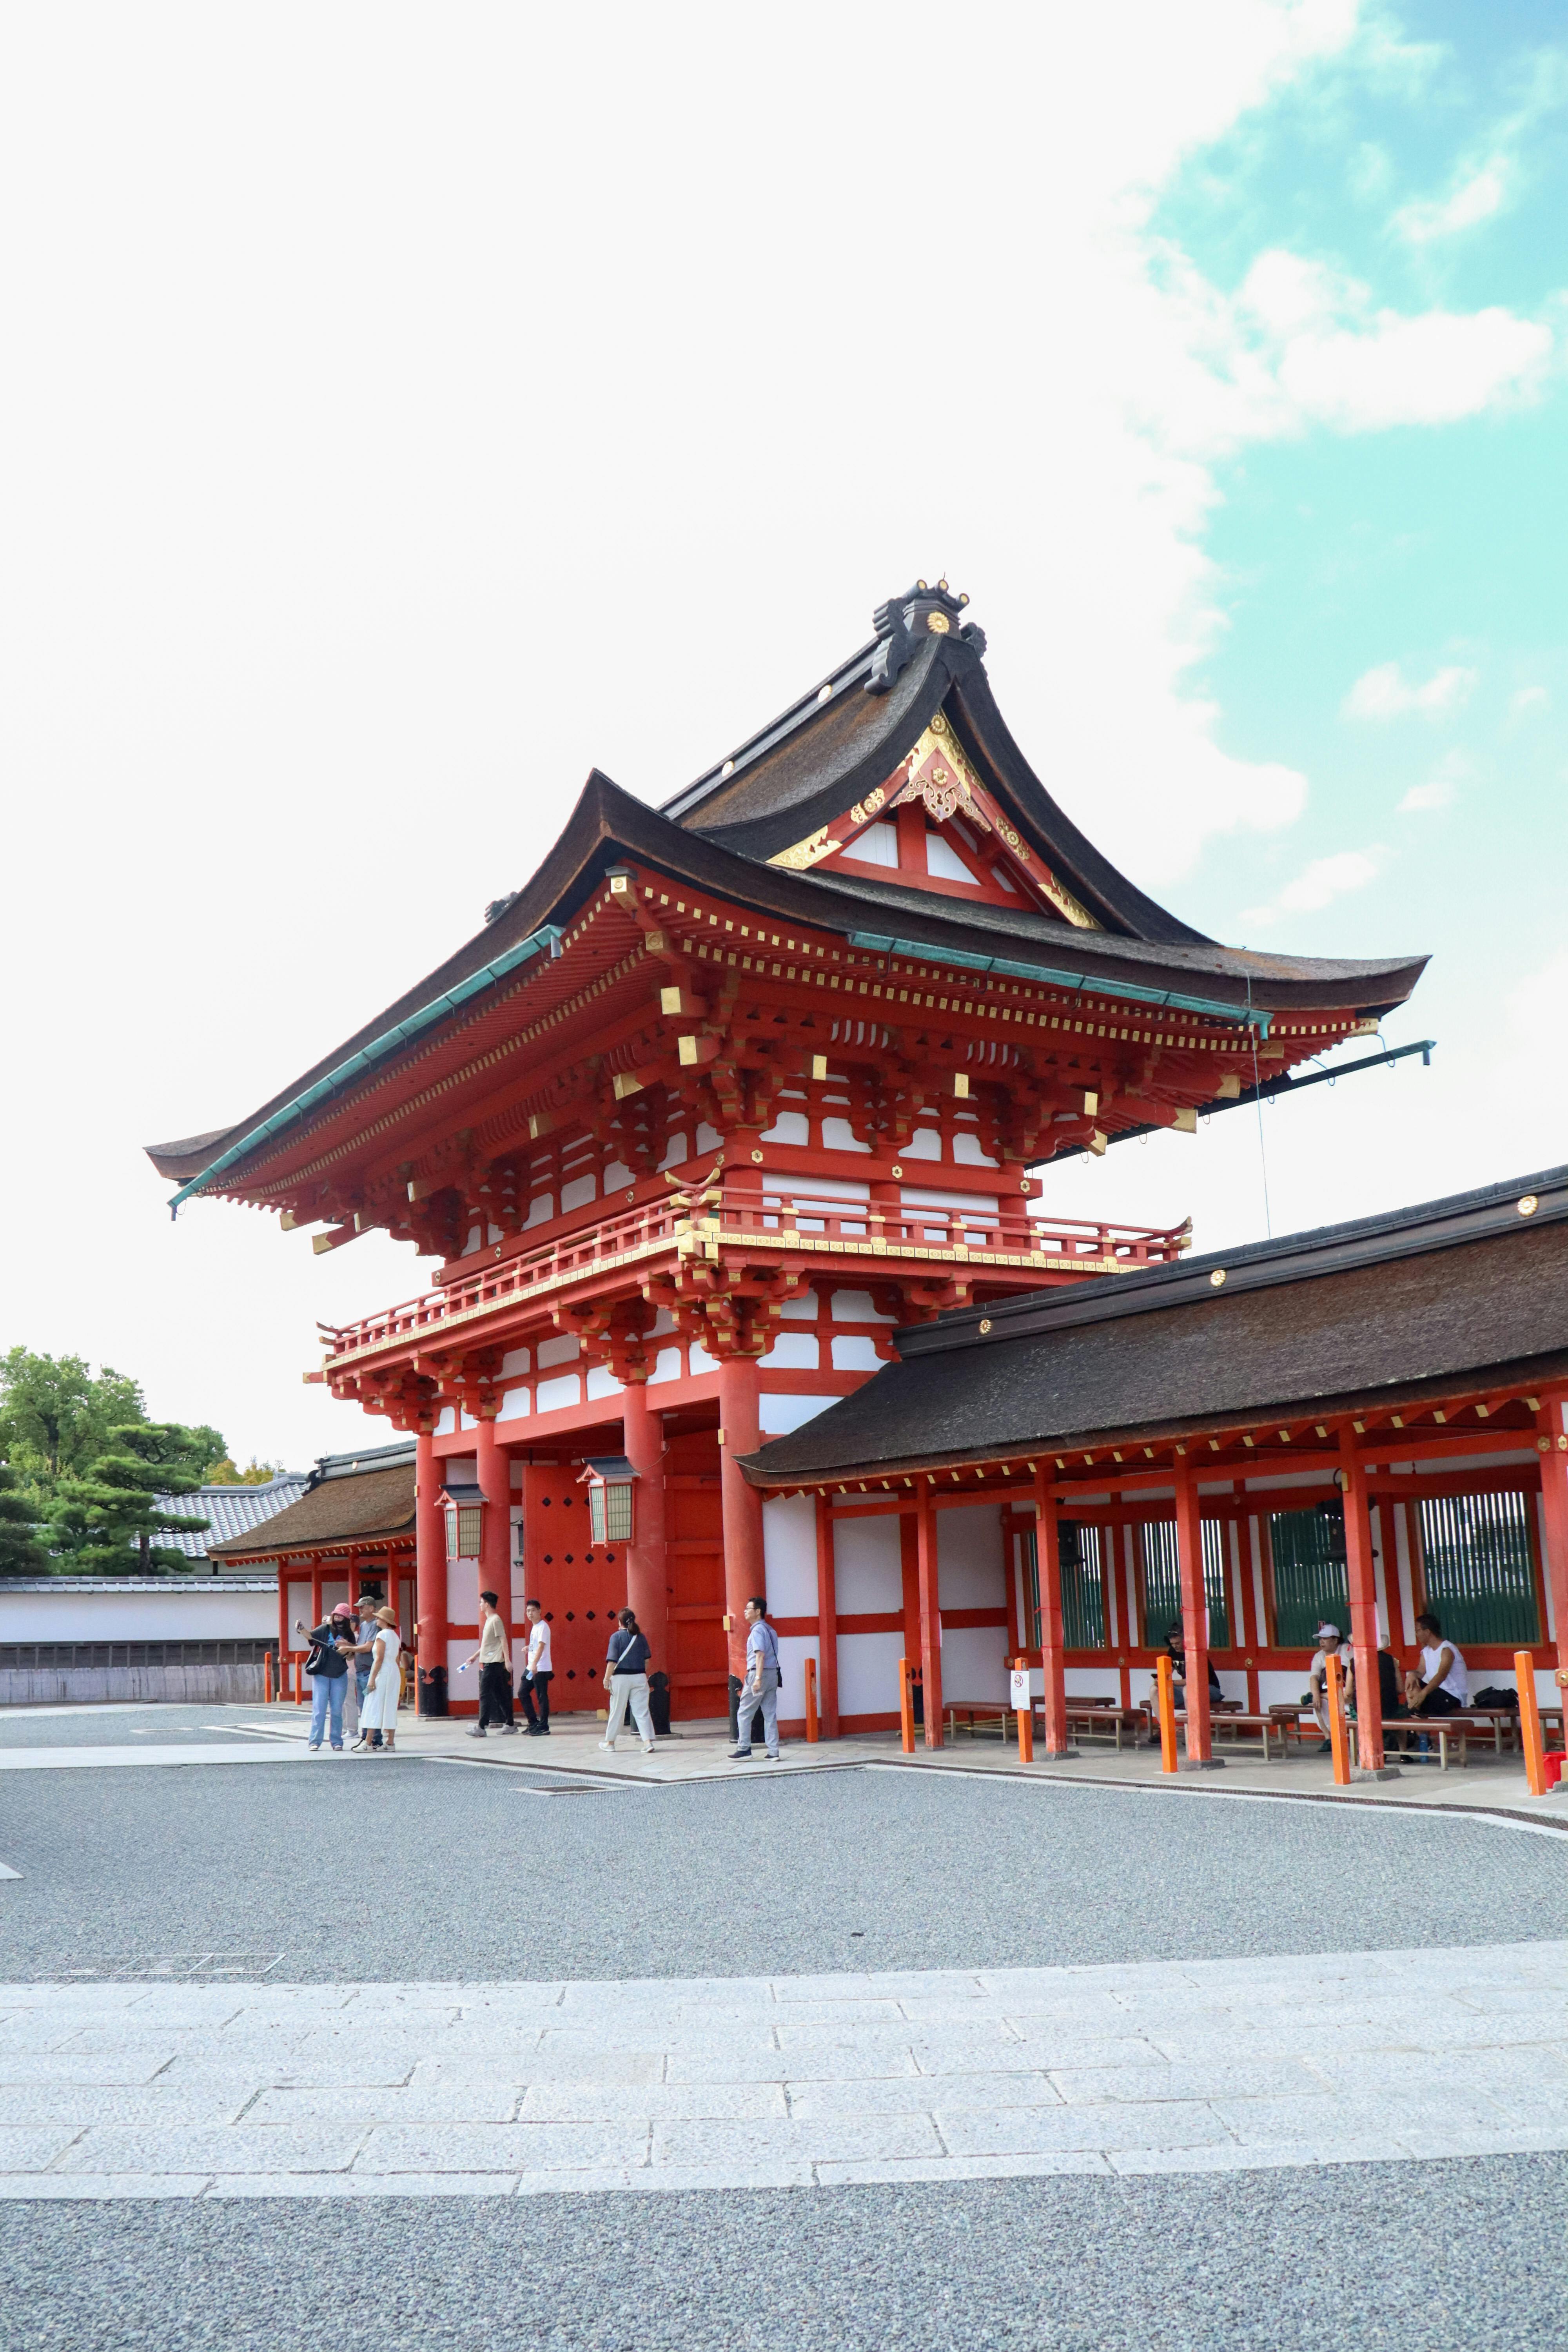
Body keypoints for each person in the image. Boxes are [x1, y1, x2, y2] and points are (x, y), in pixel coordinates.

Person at [295, 1607, 354, 1753]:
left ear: (346, 1618)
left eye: (341, 1615)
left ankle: (337, 1741)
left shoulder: (349, 1634)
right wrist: (301, 1629)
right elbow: (310, 1637)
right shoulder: (325, 1629)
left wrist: (347, 1648)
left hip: (340, 1674)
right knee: (319, 1709)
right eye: (336, 1615)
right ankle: (315, 1742)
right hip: (321, 1673)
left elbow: (352, 1657)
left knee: (337, 1710)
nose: (338, 1617)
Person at [730, 1595, 781, 1762]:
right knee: (770, 1714)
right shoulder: (771, 1630)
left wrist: (758, 1678)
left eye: (748, 1609)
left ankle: (744, 1748)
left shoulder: (758, 1631)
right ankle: (773, 1752)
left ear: (758, 1612)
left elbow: (760, 1655)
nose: (745, 1612)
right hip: (773, 1674)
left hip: (758, 1674)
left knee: (744, 1712)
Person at [601, 1608, 656, 1754]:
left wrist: (607, 1679)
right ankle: (647, 1742)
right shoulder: (641, 1637)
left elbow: (612, 1662)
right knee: (642, 1711)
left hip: (621, 1678)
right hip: (639, 1677)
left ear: (620, 1622)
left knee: (617, 1710)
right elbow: (647, 1661)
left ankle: (610, 1742)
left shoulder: (616, 1637)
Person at [462, 1592, 517, 1738]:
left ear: (487, 1604)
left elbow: (503, 1640)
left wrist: (508, 1660)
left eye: (481, 1602)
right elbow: (488, 1645)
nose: (480, 1605)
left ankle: (481, 1726)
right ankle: (510, 1724)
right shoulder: (490, 1620)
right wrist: (475, 1657)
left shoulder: (496, 1620)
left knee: (485, 1694)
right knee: (500, 1695)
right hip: (490, 1662)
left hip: (493, 1664)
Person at [356, 1606, 403, 1753]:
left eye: (378, 1617)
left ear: (384, 1620)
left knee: (373, 1704)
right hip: (393, 1671)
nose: (376, 1619)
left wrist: (372, 1679)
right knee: (390, 1706)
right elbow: (396, 1658)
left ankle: (368, 1743)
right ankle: (390, 1743)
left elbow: (379, 1659)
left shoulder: (382, 1635)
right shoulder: (395, 1636)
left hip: (382, 1672)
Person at [1405, 1613, 1469, 1717]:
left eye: (1418, 1630)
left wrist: (1423, 1694)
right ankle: (1420, 1730)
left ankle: (1418, 1729)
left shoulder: (1447, 1649)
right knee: (1413, 1687)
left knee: (1413, 1708)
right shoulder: (1426, 1651)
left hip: (1452, 1695)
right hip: (1436, 1692)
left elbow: (1441, 1675)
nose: (1416, 1634)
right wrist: (1412, 1674)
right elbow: (1420, 1672)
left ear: (1428, 1632)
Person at [350, 1590, 385, 1748]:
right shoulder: (364, 1625)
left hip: (369, 1672)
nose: (360, 1610)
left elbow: (368, 1647)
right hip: (361, 1672)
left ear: (372, 1608)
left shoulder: (375, 1624)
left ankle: (375, 1739)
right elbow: (361, 1646)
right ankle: (366, 1737)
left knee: (370, 1706)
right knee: (363, 1707)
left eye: (363, 1607)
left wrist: (349, 1649)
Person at [1308, 1622, 1350, 1754]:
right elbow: (1314, 1677)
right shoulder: (1319, 1656)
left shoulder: (1347, 1650)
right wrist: (1316, 1695)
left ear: (1335, 1639)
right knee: (1317, 1703)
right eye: (1321, 1639)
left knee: (1324, 1697)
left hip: (1347, 1691)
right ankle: (1329, 1738)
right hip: (1327, 1692)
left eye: (1325, 1639)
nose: (1322, 1642)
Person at [518, 1598, 553, 1736]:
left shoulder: (543, 1626)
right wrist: (529, 1648)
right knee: (522, 1693)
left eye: (533, 1610)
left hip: (541, 1668)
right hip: (532, 1666)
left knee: (541, 1697)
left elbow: (542, 1646)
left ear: (540, 1611)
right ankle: (533, 1723)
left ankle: (544, 1726)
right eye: (528, 1611)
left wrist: (534, 1664)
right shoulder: (535, 1627)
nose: (530, 1614)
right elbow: (536, 1645)